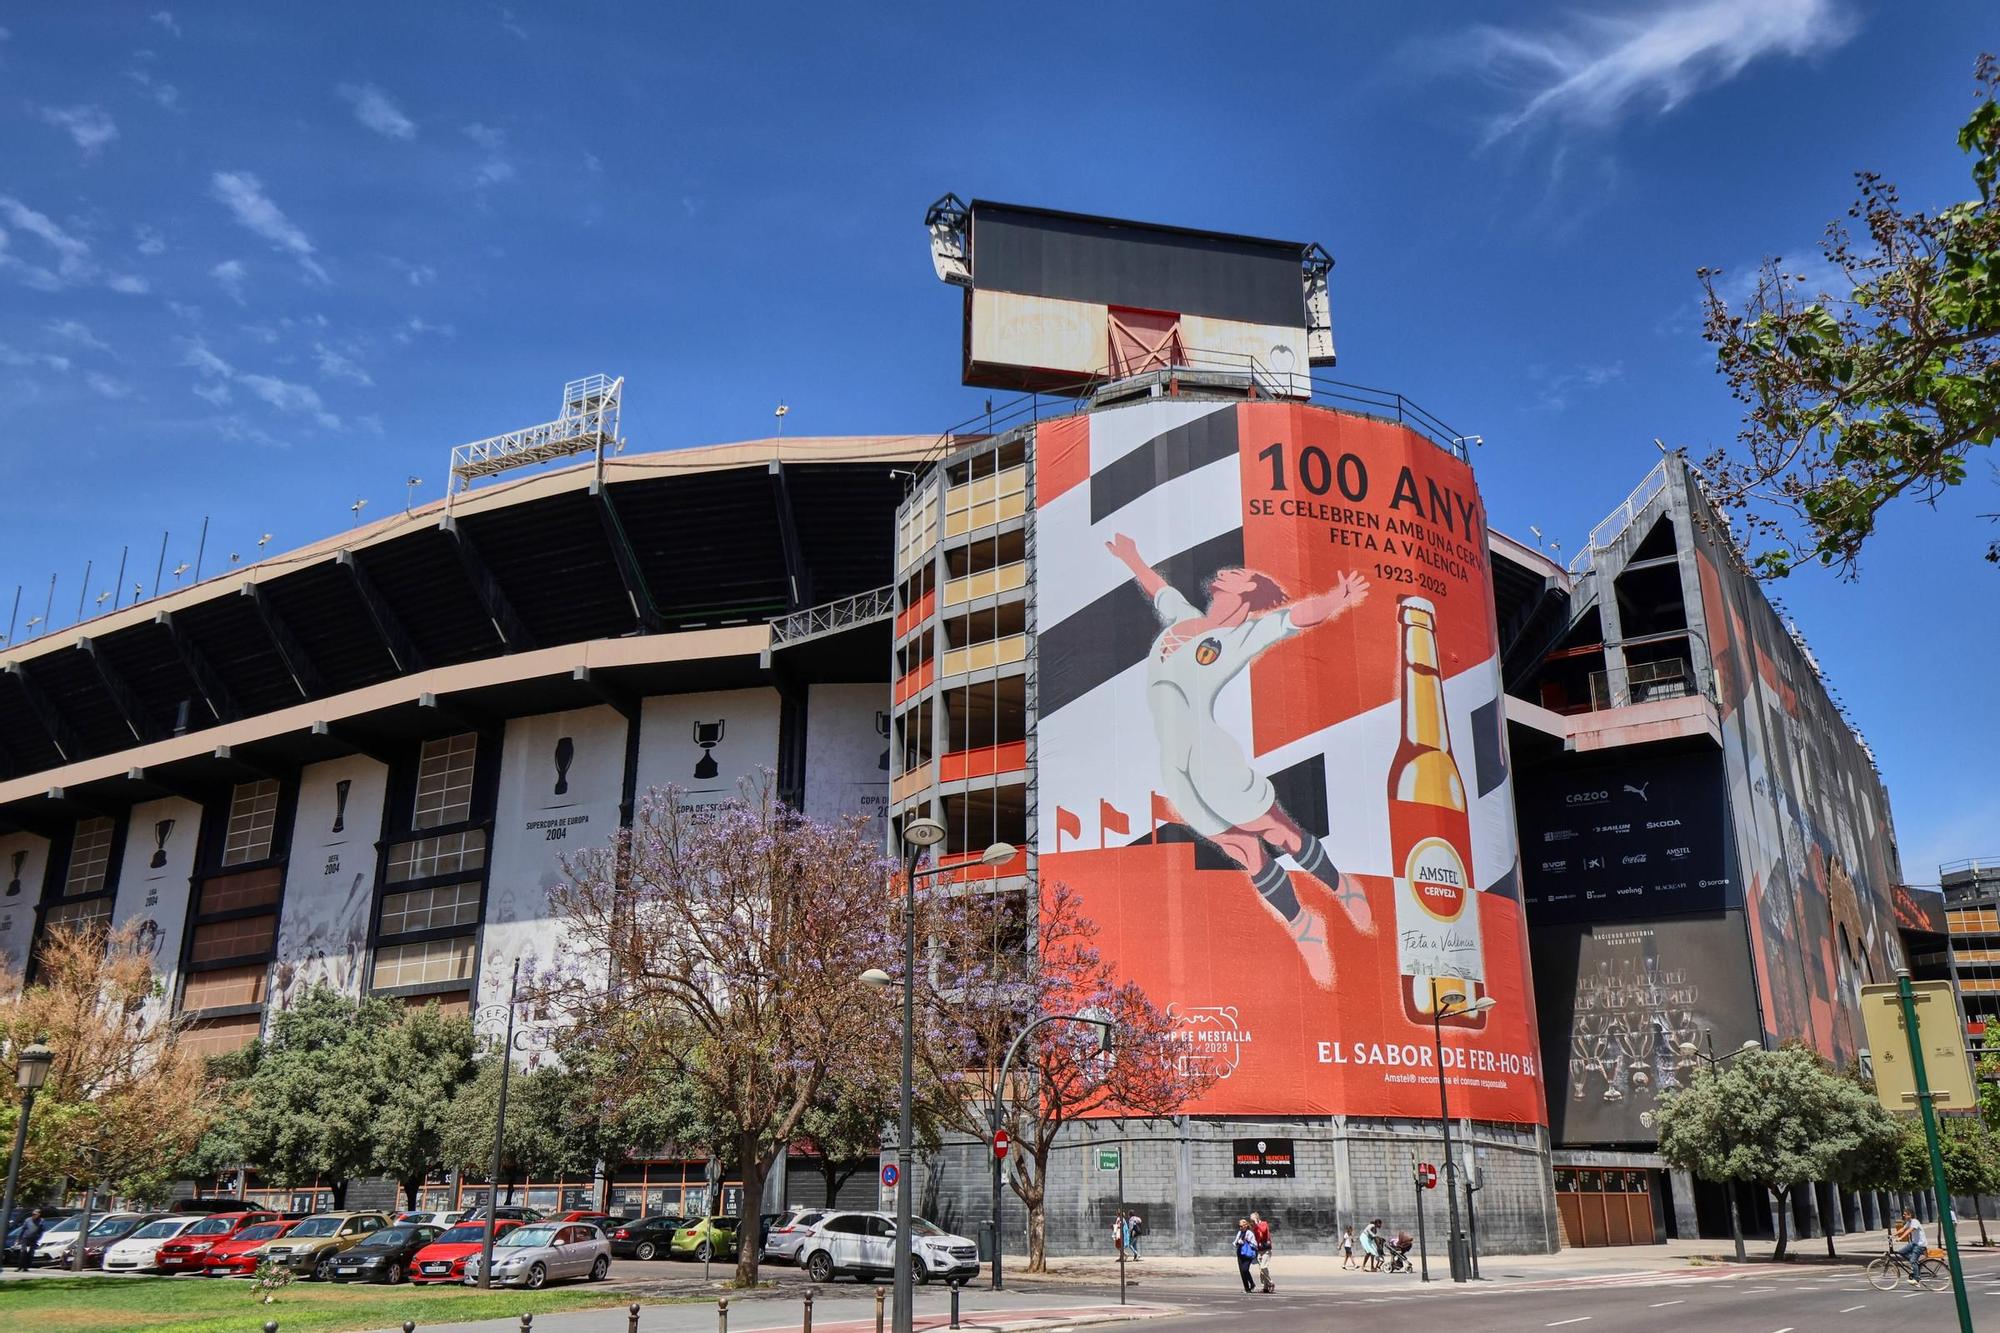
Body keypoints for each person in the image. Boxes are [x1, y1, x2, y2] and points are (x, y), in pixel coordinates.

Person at [1105, 535, 1373, 988]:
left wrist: (1337, 598)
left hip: (1210, 755)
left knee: (1276, 831)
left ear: (1247, 593)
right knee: (1241, 849)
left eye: (1239, 575)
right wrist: (1132, 556)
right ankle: (1304, 925)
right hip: (1175, 765)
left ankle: (1342, 886)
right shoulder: (1183, 619)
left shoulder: (1244, 635)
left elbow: (1294, 618)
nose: (1226, 572)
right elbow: (1157, 588)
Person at [1894, 1208, 1929, 1282]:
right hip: (1914, 1243)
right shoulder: (1909, 1222)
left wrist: (1900, 1238)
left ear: (1910, 1215)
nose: (1903, 1215)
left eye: (1905, 1214)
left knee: (1913, 1261)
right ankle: (1915, 1262)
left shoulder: (1915, 1221)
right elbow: (1903, 1229)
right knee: (1901, 1252)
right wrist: (1893, 1235)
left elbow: (1910, 1230)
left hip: (1920, 1244)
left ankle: (1916, 1279)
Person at [1233, 1218, 1259, 1293]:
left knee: (1245, 1269)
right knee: (1242, 1271)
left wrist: (1245, 1241)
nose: (1240, 1228)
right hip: (1240, 1253)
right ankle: (1247, 1288)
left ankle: (1252, 1283)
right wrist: (1238, 1242)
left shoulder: (1249, 1233)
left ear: (1245, 1226)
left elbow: (1254, 1244)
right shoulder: (1239, 1233)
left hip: (1248, 1254)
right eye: (1239, 1226)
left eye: (1241, 1226)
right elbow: (1235, 1243)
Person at [1250, 1210, 1274, 1292]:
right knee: (1261, 1270)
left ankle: (1270, 1282)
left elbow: (1263, 1231)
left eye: (1252, 1218)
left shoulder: (1264, 1223)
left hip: (1266, 1249)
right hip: (1259, 1250)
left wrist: (1257, 1223)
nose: (1251, 1220)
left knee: (1264, 1267)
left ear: (1256, 1217)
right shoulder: (1254, 1226)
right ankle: (1265, 1287)